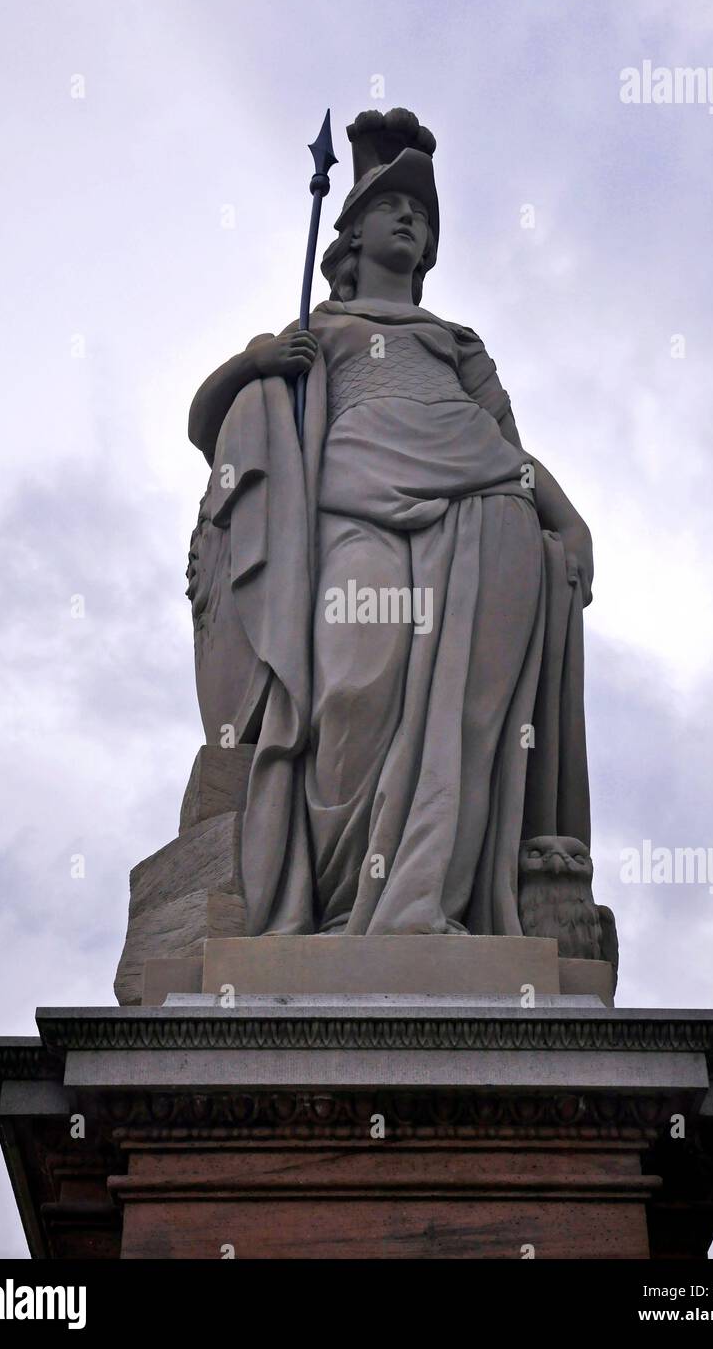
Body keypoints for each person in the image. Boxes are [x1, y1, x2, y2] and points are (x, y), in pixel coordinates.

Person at [186, 108, 593, 939]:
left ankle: (422, 905)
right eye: (391, 208)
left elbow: (507, 449)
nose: (410, 219)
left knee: (472, 720)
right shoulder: (315, 331)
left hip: (484, 516)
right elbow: (206, 423)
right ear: (351, 236)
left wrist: (571, 521)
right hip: (350, 518)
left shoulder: (456, 342)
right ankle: (339, 913)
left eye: (423, 214)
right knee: (352, 686)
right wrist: (259, 364)